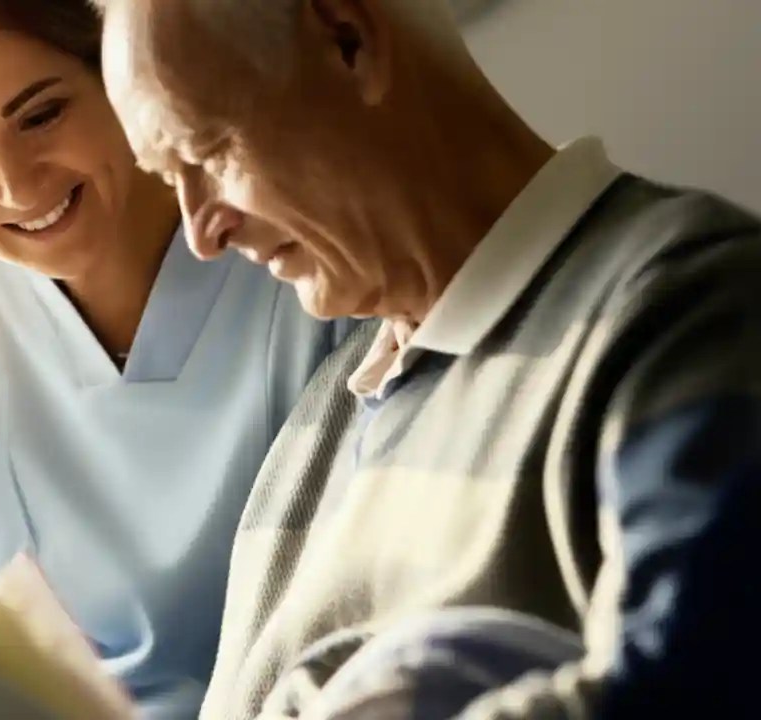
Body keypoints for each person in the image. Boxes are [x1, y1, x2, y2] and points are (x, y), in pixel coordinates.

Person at [88, 0, 761, 716]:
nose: (202, 234)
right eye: (169, 178)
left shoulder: (689, 304)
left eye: (209, 152)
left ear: (349, 42)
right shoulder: (316, 425)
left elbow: (701, 688)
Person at [0, 1, 346, 716]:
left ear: (120, 76)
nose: (18, 185)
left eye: (41, 115)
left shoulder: (306, 262)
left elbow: (375, 612)